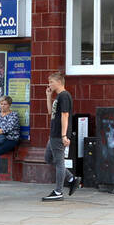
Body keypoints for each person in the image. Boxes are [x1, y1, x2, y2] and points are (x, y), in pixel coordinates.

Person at [42, 72, 78, 202]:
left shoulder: (64, 95)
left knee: (59, 162)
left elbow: (65, 115)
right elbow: (50, 112)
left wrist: (64, 135)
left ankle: (58, 191)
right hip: (54, 133)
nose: (49, 84)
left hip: (59, 134)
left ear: (59, 82)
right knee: (48, 158)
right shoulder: (58, 96)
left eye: (51, 82)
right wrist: (48, 96)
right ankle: (72, 179)